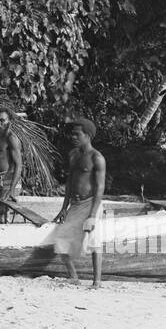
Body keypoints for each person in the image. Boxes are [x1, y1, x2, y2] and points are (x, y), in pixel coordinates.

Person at [53, 117, 106, 288]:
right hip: (75, 205)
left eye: (77, 134)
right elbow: (70, 182)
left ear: (88, 135)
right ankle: (73, 276)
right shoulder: (73, 155)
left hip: (91, 203)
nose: (73, 137)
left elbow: (99, 188)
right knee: (61, 238)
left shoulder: (97, 158)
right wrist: (64, 207)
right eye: (71, 134)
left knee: (94, 241)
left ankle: (97, 282)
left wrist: (92, 215)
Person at [0, 109, 23, 211]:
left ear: (9, 122)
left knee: (0, 213)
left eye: (2, 120)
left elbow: (19, 165)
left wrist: (11, 190)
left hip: (9, 182)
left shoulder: (11, 138)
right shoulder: (1, 137)